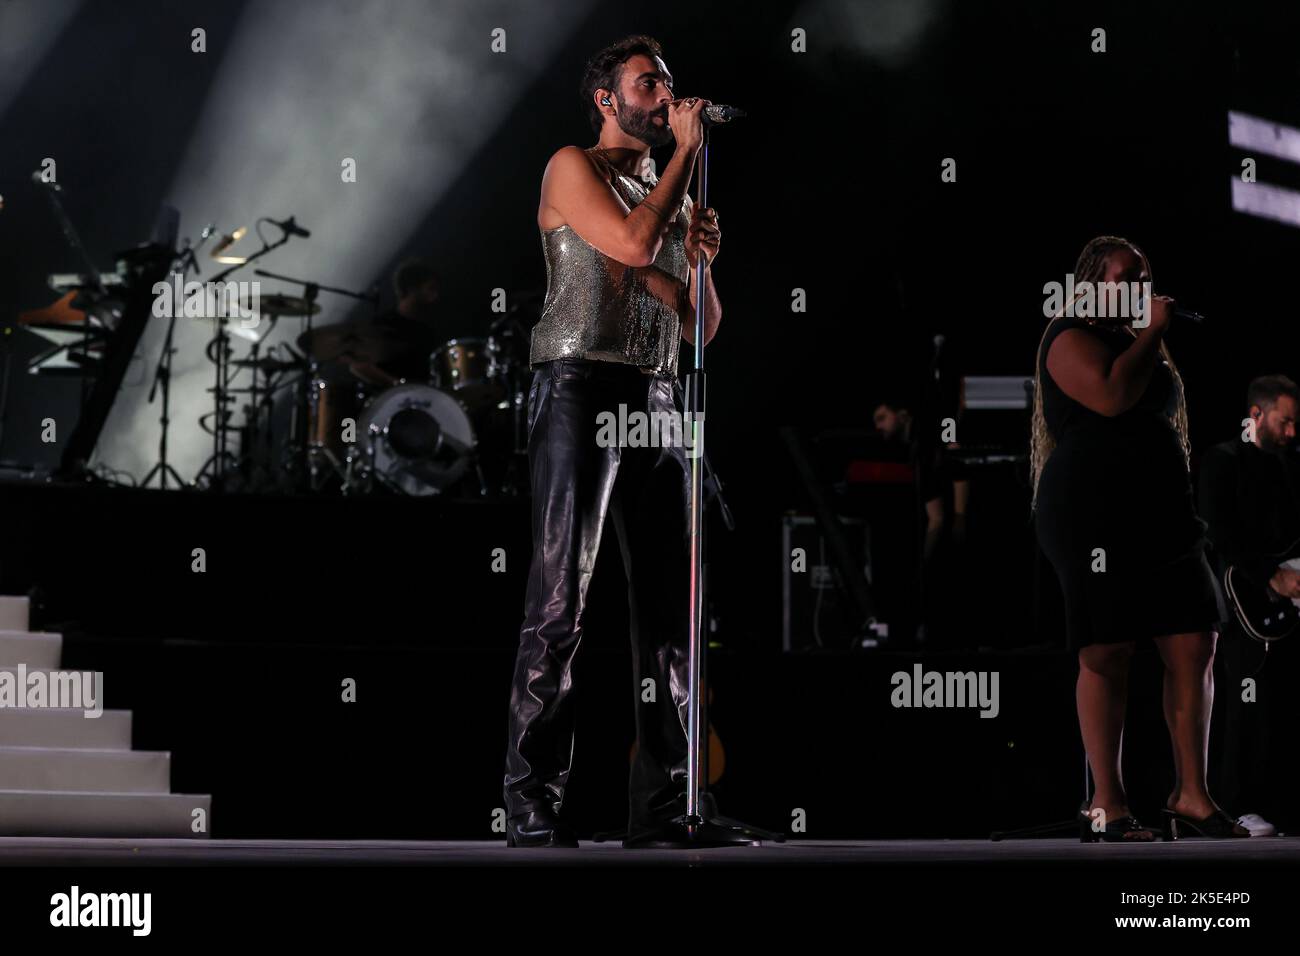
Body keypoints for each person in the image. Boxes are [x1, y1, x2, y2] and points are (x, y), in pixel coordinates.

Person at [502, 34, 722, 848]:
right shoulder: (575, 168)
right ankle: (531, 804)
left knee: (671, 610)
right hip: (579, 385)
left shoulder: (665, 193)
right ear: (608, 100)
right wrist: (683, 170)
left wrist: (700, 263)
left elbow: (700, 329)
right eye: (648, 83)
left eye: (670, 82)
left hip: (656, 393)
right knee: (562, 598)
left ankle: (662, 807)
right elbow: (628, 245)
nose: (665, 95)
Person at [1030, 235, 1246, 842]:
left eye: (1144, 276)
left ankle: (1192, 796)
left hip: (1162, 514)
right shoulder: (1067, 333)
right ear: (1089, 280)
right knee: (1108, 649)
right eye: (1126, 276)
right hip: (1092, 513)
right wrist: (1154, 333)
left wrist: (1147, 336)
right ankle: (1108, 804)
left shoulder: (1135, 339)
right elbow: (1110, 396)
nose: (1139, 287)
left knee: (1194, 638)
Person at [1197, 374, 1300, 837]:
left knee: (1272, 703)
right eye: (1284, 421)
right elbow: (1219, 534)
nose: (1292, 432)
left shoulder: (1285, 466)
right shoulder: (1223, 461)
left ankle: (1274, 800)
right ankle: (1235, 803)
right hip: (1237, 603)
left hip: (1279, 604)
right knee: (1242, 701)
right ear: (1255, 415)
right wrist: (1270, 576)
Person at [346, 257, 442, 387]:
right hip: (389, 400)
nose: (435, 295)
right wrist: (396, 384)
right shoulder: (383, 324)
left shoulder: (428, 330)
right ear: (412, 289)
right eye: (431, 288)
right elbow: (358, 365)